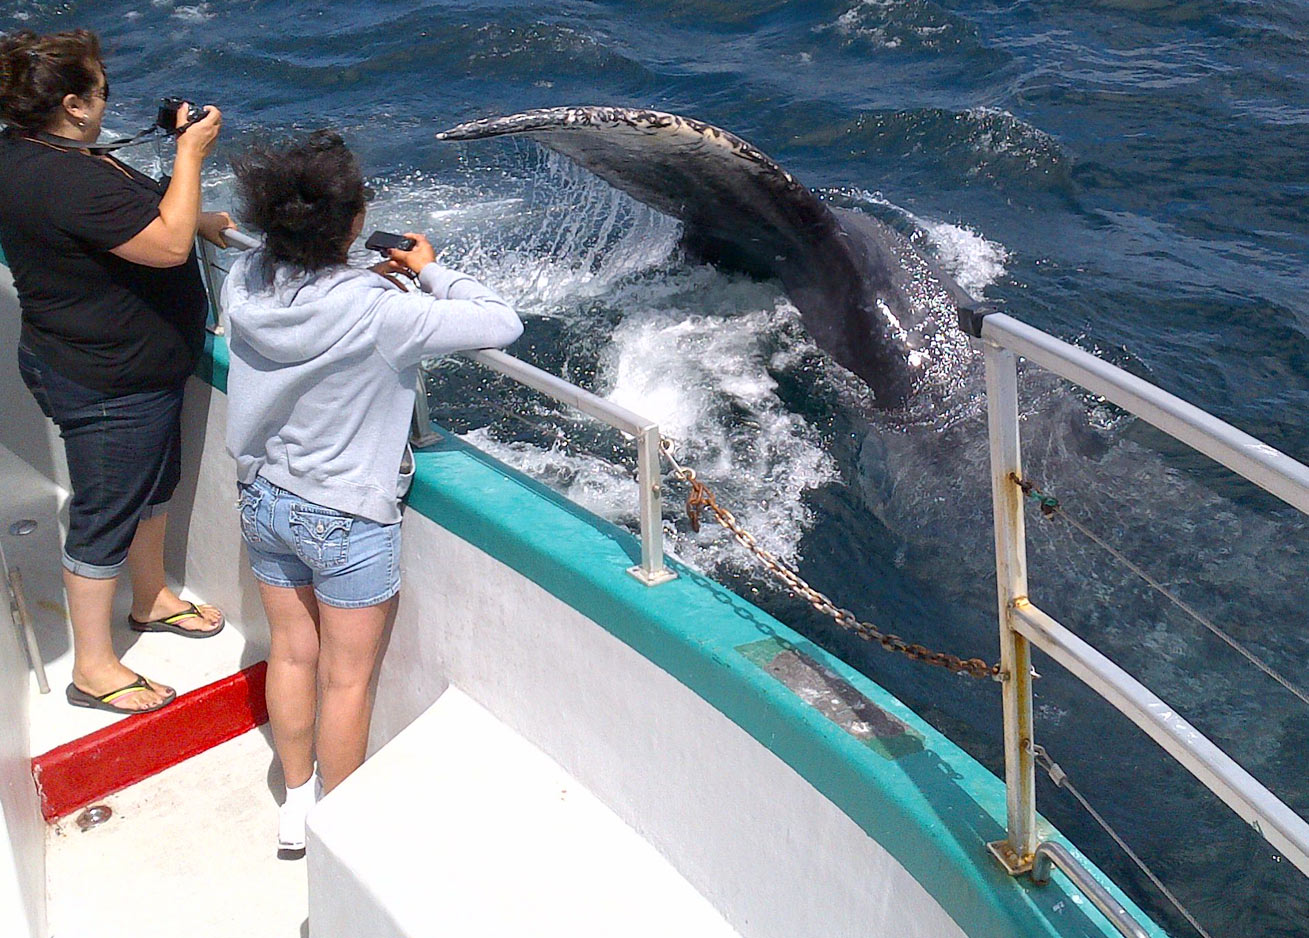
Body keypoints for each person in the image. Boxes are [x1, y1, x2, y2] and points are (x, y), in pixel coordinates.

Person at [224, 130, 522, 851]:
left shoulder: (246, 279)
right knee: (346, 681)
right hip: (346, 517)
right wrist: (429, 271)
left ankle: (295, 802)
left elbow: (298, 281)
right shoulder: (384, 310)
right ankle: (338, 823)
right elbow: (502, 321)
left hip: (264, 496)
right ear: (354, 223)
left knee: (292, 655)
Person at [0, 29, 230, 716]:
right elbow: (160, 246)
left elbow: (120, 217)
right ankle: (94, 670)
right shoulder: (64, 176)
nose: (109, 96)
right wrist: (189, 154)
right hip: (107, 383)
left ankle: (151, 595)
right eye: (102, 89)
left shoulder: (28, 151)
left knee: (151, 484)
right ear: (73, 105)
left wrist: (198, 215)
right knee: (104, 515)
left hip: (111, 365)